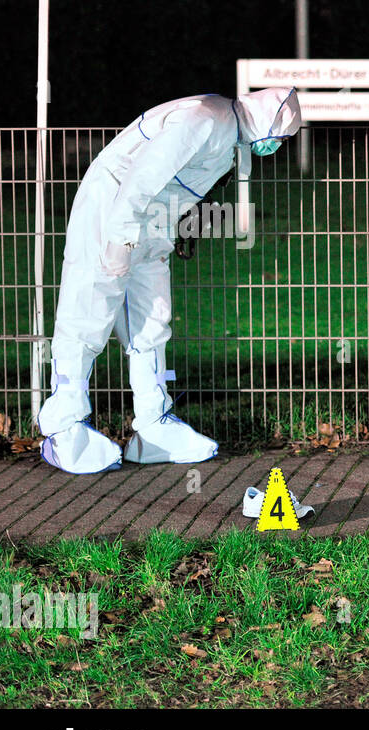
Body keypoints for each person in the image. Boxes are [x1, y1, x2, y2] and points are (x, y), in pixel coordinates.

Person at [38, 88, 302, 474]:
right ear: (267, 125)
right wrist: (121, 236)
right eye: (279, 138)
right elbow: (143, 175)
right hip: (113, 210)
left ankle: (153, 422)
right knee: (89, 311)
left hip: (151, 219)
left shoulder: (228, 135)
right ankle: (64, 426)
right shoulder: (206, 120)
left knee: (152, 319)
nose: (277, 146)